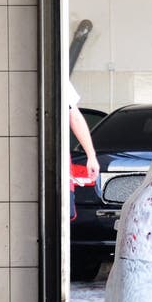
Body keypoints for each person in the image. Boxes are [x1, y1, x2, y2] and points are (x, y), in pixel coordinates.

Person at [69, 81, 100, 220]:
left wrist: (91, 156)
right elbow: (74, 116)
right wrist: (91, 156)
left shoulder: (60, 78)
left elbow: (74, 116)